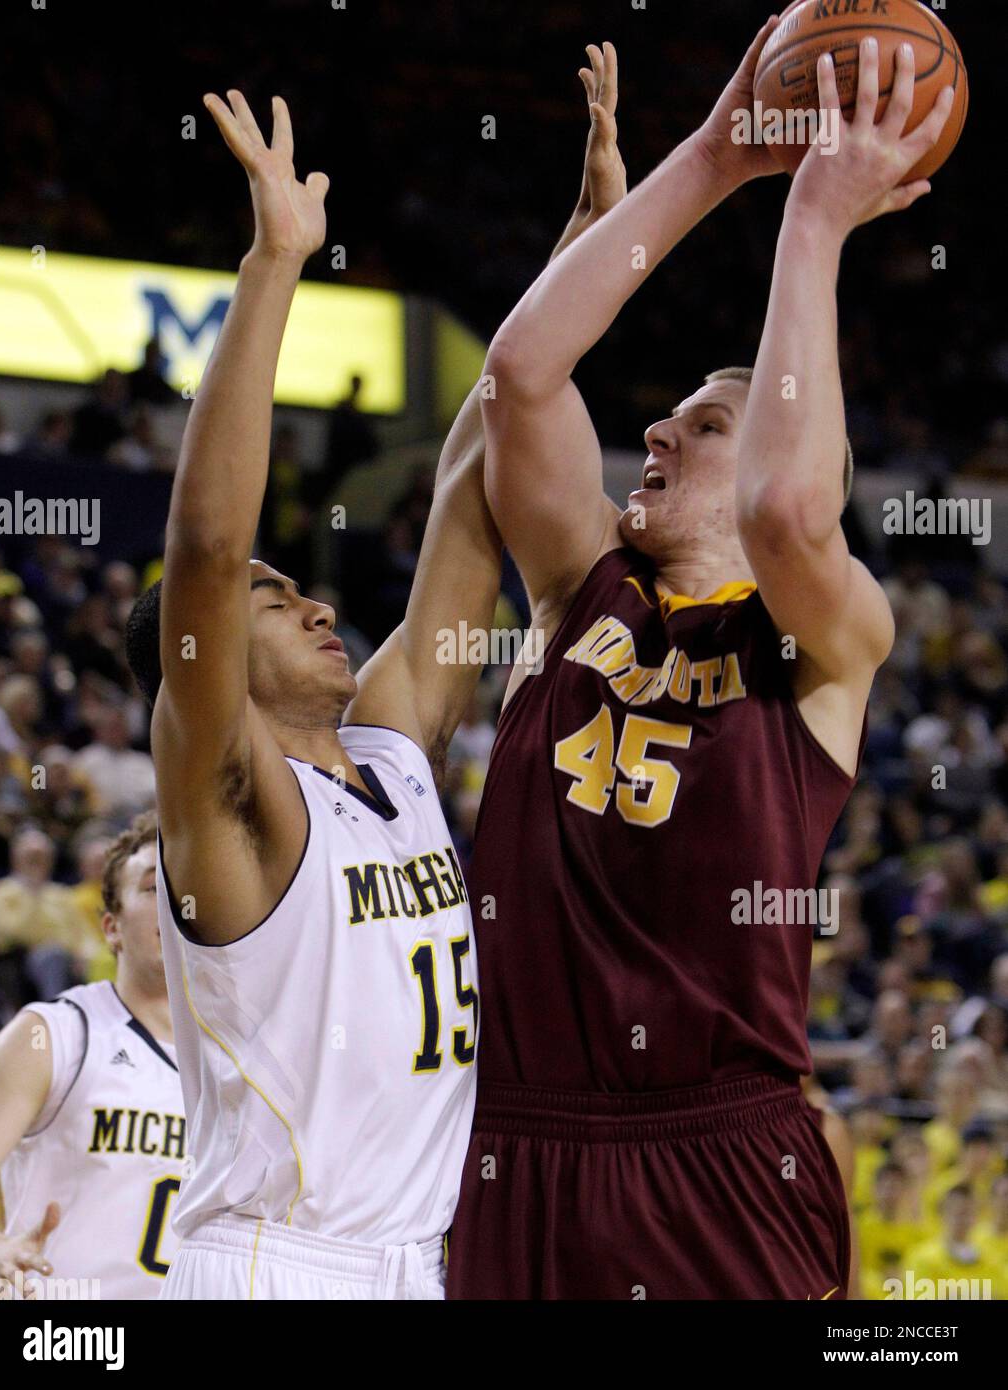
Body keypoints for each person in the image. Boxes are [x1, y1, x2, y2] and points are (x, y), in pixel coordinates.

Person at [446, 30, 957, 1299]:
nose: (658, 430)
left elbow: (790, 509)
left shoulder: (827, 643)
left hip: (724, 1154)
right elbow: (519, 370)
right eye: (667, 416)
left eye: (707, 422)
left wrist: (816, 223)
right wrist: (720, 155)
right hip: (519, 1141)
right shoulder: (579, 590)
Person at [124, 61, 624, 1302]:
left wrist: (584, 247)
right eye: (274, 597)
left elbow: (471, 480)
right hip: (274, 1266)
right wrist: (274, 268)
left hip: (415, 1262)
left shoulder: (390, 753)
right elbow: (199, 550)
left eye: (304, 587)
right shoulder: (229, 793)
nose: (318, 602)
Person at [0, 814, 185, 1301]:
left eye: (188, 887)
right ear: (111, 928)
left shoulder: (240, 1064)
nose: (177, 902)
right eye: (154, 888)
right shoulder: (54, 1034)